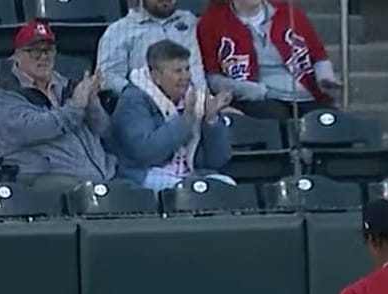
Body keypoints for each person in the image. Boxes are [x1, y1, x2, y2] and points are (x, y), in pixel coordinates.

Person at [0, 21, 116, 194]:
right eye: (34, 51)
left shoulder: (69, 86)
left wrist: (92, 102)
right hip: (44, 180)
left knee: (136, 190)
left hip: (101, 175)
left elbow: (103, 130)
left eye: (48, 50)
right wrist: (76, 106)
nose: (43, 57)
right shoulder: (7, 96)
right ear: (17, 55)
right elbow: (35, 129)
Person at [110, 41, 236, 191]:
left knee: (226, 185)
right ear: (156, 76)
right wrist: (186, 120)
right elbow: (146, 153)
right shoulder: (133, 100)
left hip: (189, 175)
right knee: (186, 192)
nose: (186, 76)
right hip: (145, 174)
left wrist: (211, 119)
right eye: (178, 71)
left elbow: (217, 161)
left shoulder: (194, 97)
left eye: (187, 69)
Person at [196, 0, 341, 121]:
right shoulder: (212, 21)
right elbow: (213, 78)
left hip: (304, 94)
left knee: (329, 122)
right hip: (257, 98)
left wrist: (325, 78)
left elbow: (318, 55)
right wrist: (250, 90)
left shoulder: (288, 12)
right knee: (275, 121)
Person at [96, 0, 207, 98]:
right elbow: (106, 78)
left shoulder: (190, 21)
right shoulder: (118, 31)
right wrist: (140, 95)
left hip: (198, 104)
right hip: (148, 110)